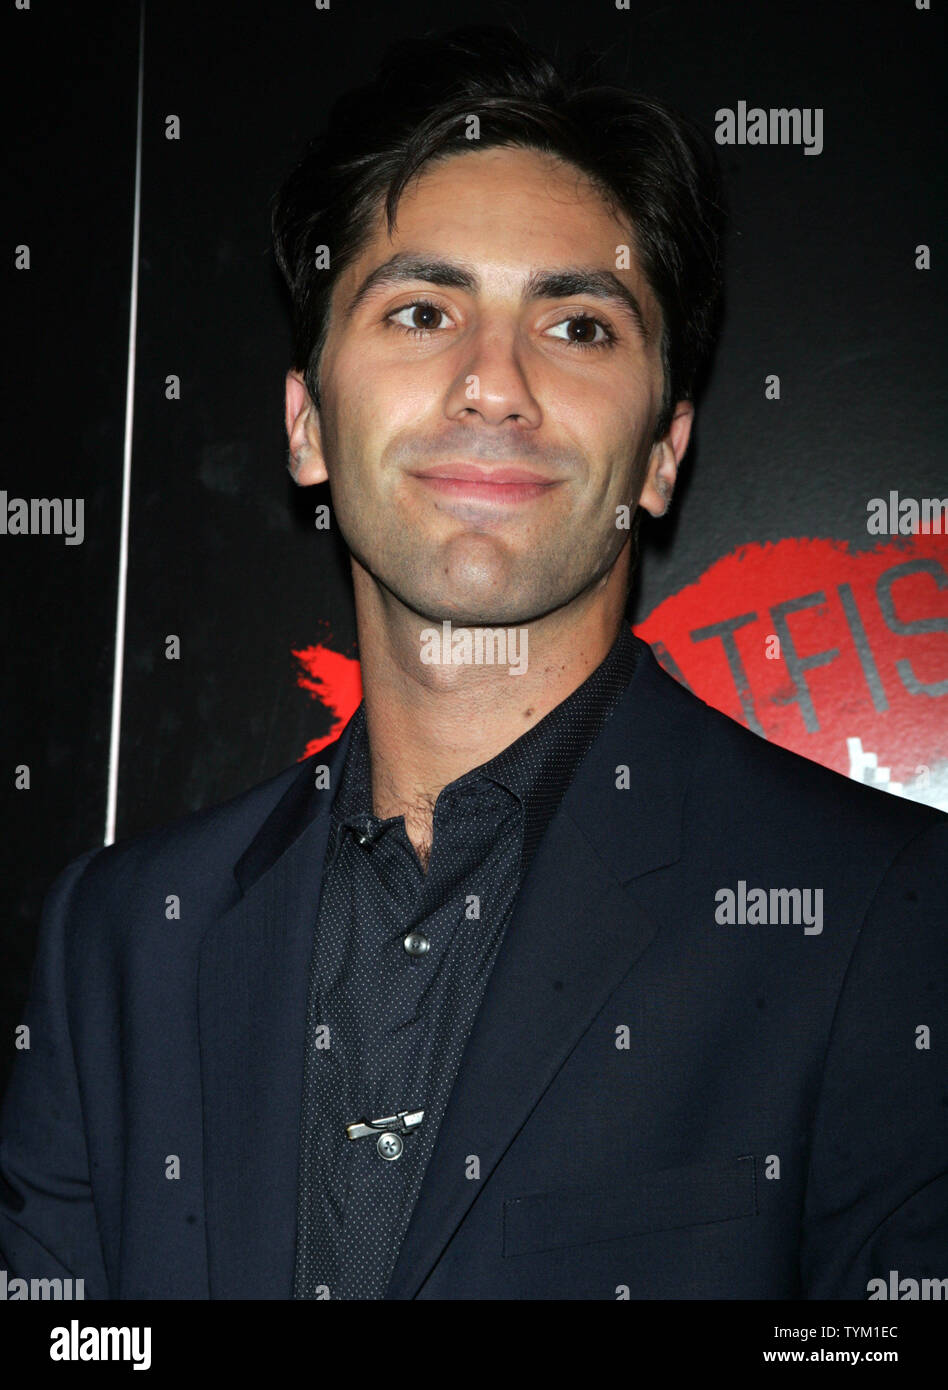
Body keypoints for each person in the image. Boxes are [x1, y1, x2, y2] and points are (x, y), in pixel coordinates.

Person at [1, 25, 945, 1302]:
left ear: (665, 453)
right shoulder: (119, 941)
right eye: (423, 310)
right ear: (306, 425)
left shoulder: (881, 920)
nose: (493, 383)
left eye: (577, 325)